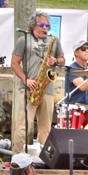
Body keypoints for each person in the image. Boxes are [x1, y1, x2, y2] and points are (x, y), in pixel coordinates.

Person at [11, 11, 65, 153]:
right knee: (23, 127)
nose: (45, 28)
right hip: (28, 88)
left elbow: (62, 59)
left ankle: (43, 157)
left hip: (47, 88)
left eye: (47, 25)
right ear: (33, 25)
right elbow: (14, 63)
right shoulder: (23, 39)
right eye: (42, 25)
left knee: (45, 128)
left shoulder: (54, 40)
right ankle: (17, 157)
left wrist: (55, 61)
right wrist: (26, 80)